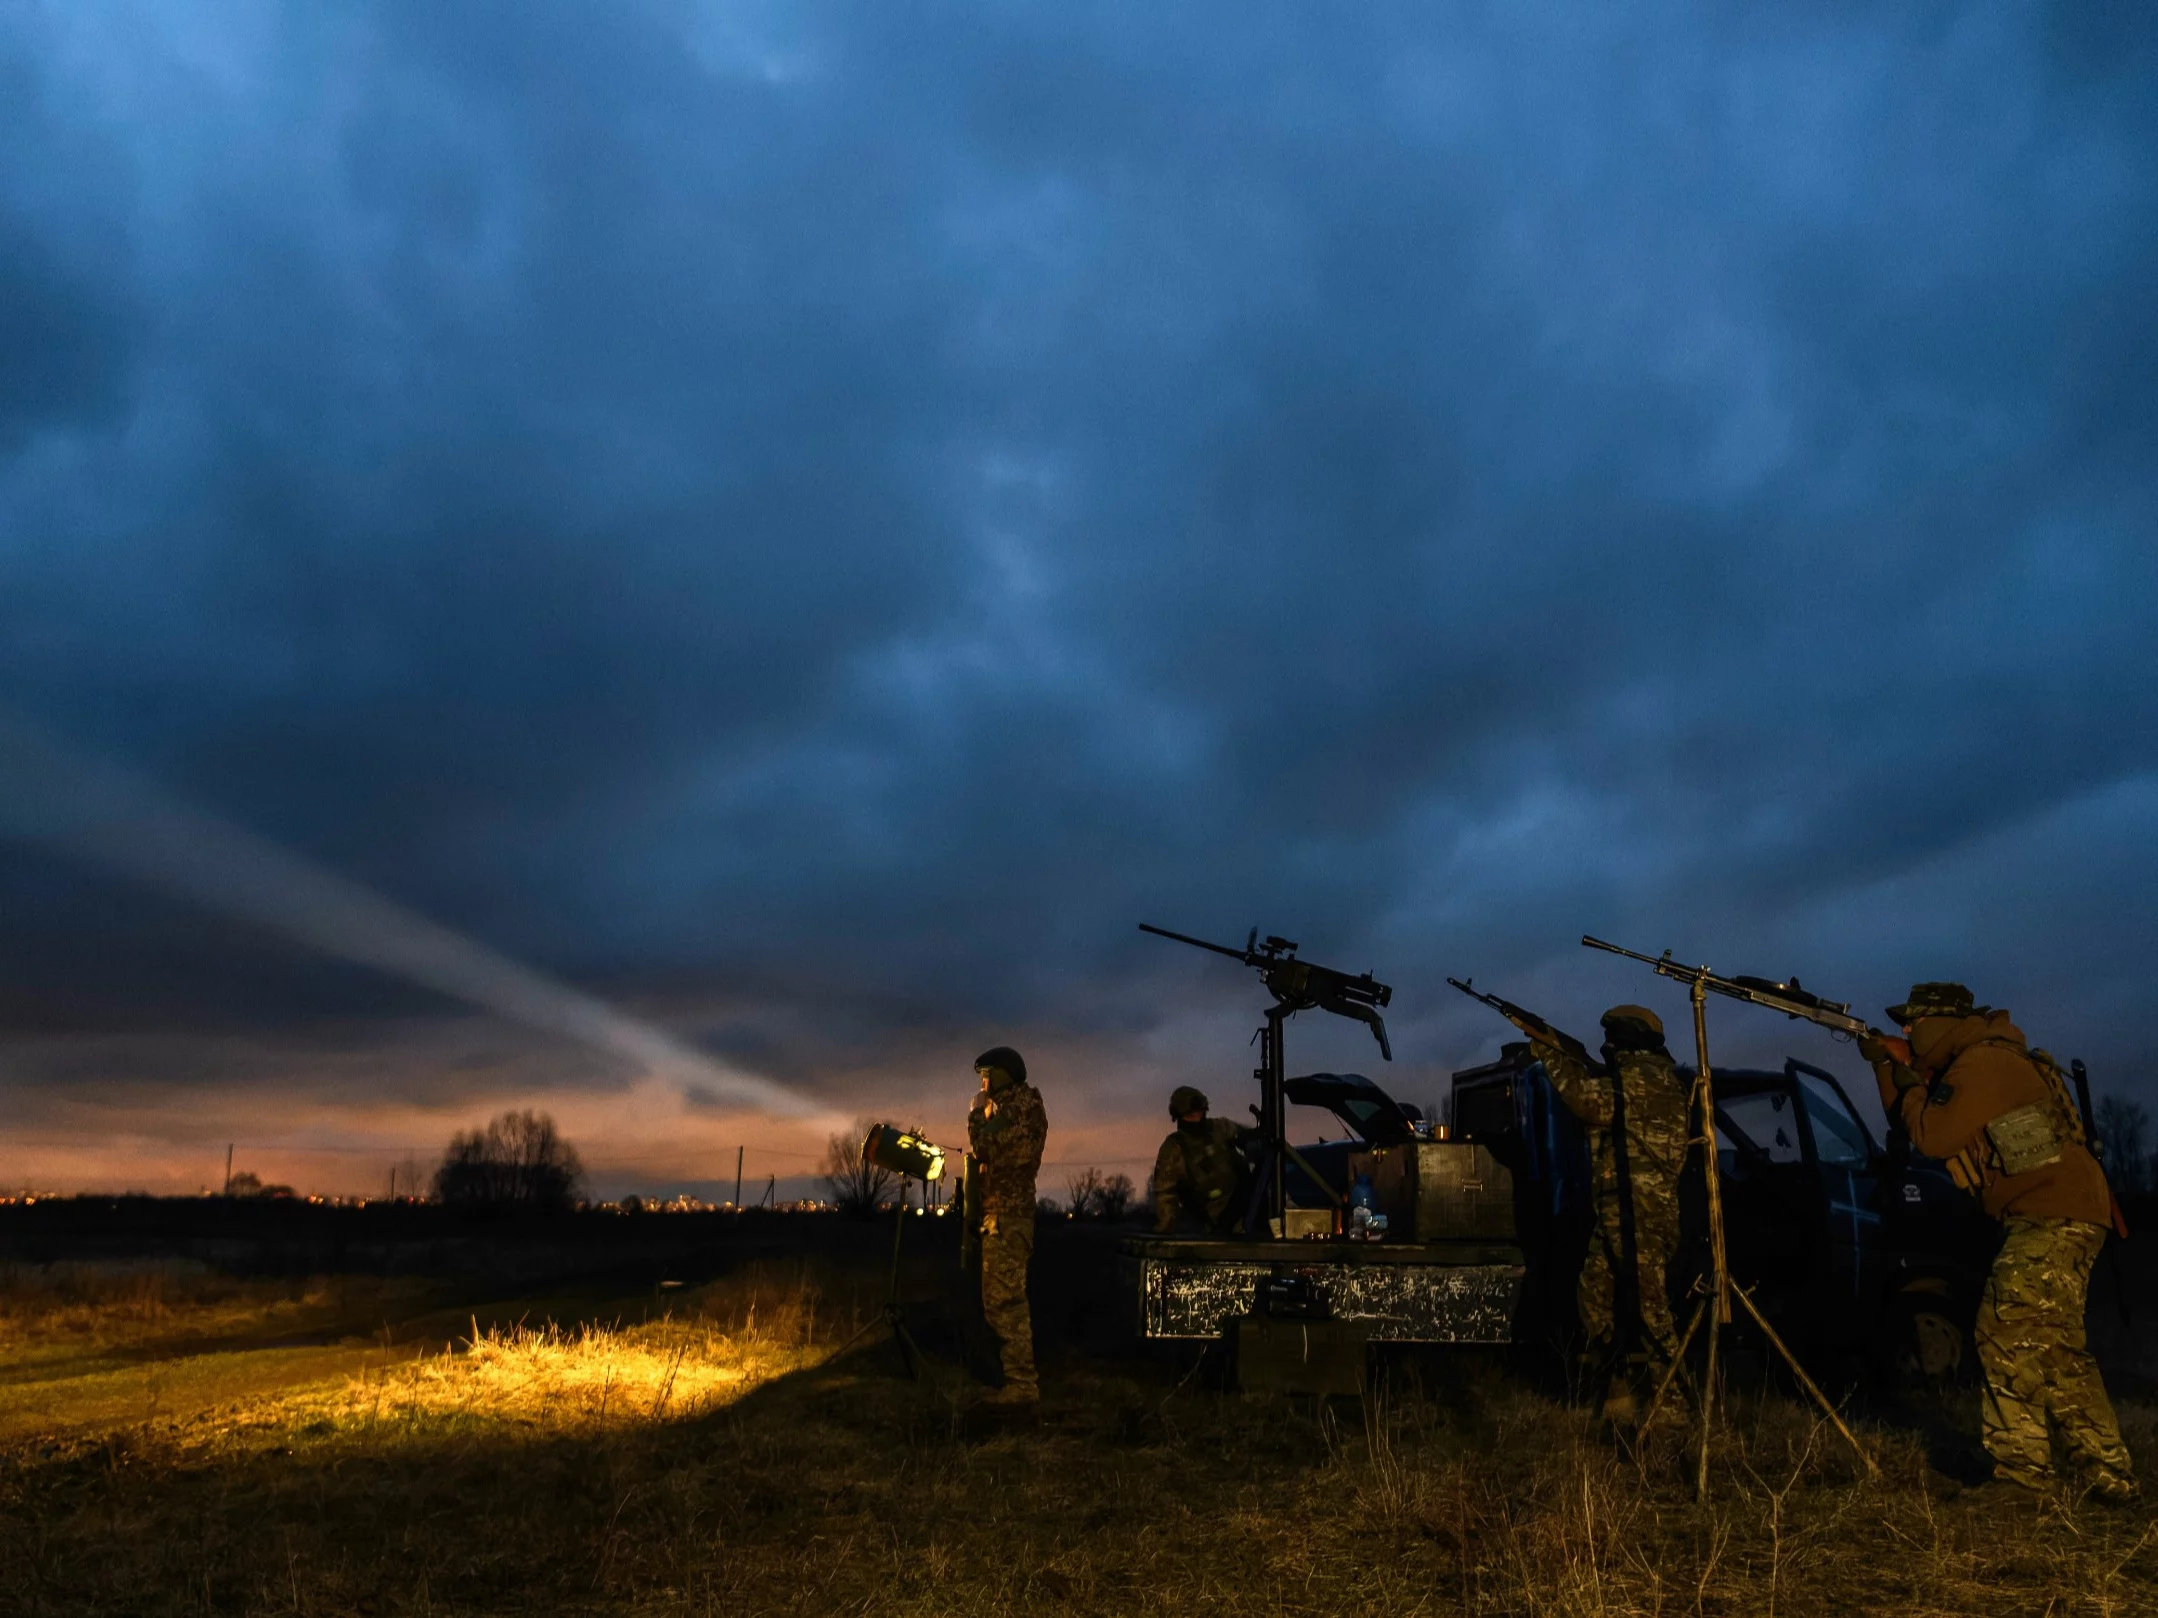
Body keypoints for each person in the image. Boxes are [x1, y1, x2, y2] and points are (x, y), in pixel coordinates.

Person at [1863, 983, 2135, 1501]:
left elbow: (1933, 1136)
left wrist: (1903, 1074)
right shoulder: (1973, 1061)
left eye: (1912, 1023)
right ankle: (2107, 1474)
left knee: (2003, 1327)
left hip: (2053, 1212)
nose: (1907, 1031)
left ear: (1940, 1022)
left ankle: (2023, 1475)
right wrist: (1887, 1066)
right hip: (2058, 1211)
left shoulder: (1983, 1062)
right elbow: (1912, 1124)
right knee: (2053, 1346)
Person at [1523, 1004, 1690, 1423]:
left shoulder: (1638, 1081)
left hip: (1640, 1215)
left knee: (1651, 1313)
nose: (1607, 1047)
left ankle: (1674, 1405)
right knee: (1594, 1293)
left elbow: (1584, 1101)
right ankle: (1616, 1387)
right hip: (1623, 1213)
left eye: (1612, 1039)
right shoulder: (1660, 1080)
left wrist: (1550, 1053)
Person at [965, 1044, 1048, 1407]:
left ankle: (1022, 1385)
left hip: (1008, 1218)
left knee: (1006, 1304)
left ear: (1000, 1076)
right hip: (1004, 1215)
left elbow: (985, 1145)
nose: (983, 1084)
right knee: (999, 1302)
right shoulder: (1020, 1107)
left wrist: (975, 1113)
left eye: (986, 1076)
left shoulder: (1017, 1108)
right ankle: (1012, 1381)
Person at [1152, 1085, 1251, 1234]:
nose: (1196, 1118)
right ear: (1179, 1117)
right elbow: (1164, 1194)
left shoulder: (1221, 1128)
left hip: (1248, 1206)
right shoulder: (1173, 1149)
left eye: (1199, 1112)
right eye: (1190, 1115)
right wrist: (1166, 1227)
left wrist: (1252, 1146)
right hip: (1211, 1223)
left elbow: (1252, 1139)